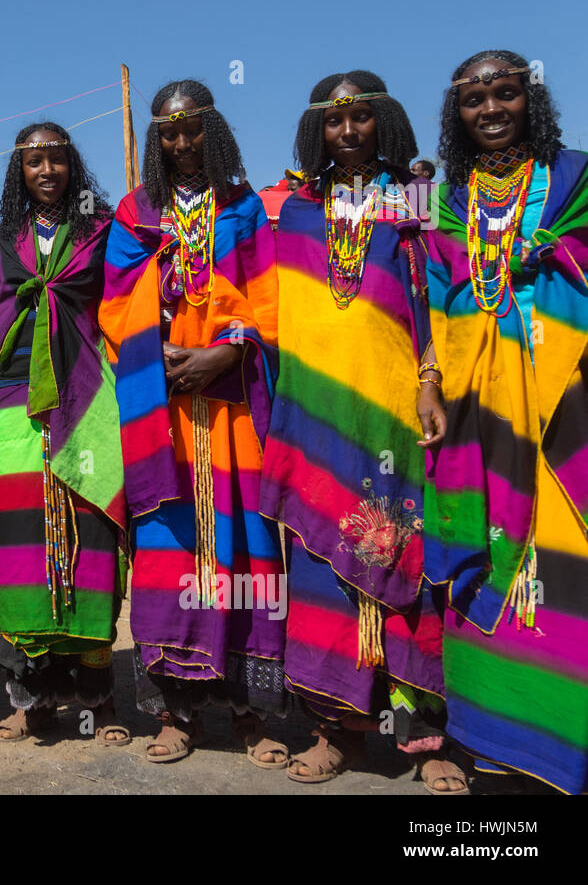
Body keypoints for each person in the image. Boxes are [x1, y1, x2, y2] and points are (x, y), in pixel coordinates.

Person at [260, 71, 463, 793]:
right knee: (320, 569)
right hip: (317, 418)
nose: (347, 131)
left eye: (361, 117)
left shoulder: (415, 201)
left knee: (407, 570)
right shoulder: (294, 209)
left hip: (396, 414)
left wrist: (433, 379)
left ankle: (424, 736)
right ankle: (333, 729)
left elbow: (438, 298)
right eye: (333, 119)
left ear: (385, 122)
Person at [100, 81, 286, 766]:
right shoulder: (135, 210)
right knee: (171, 549)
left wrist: (225, 350)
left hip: (232, 401)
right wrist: (164, 348)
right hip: (164, 410)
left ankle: (246, 711)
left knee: (244, 546)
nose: (180, 144)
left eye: (192, 129)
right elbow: (115, 301)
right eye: (167, 132)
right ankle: (175, 710)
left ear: (215, 130)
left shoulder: (242, 206)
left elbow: (269, 294)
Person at [424, 51, 588, 795]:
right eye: (473, 99)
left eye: (506, 93)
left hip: (564, 404)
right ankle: (492, 747)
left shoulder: (577, 179)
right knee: (486, 557)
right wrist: (429, 379)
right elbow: (437, 293)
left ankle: (564, 748)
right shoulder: (452, 200)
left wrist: (552, 259)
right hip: (476, 413)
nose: (490, 109)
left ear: (531, 98)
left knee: (563, 566)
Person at [0, 123, 129, 745]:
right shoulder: (3, 241)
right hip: (15, 398)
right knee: (23, 548)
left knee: (89, 535)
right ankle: (29, 697)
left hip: (88, 392)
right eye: (33, 161)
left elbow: (117, 304)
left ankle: (98, 695)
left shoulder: (99, 229)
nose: (45, 170)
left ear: (71, 166)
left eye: (56, 159)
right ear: (19, 171)